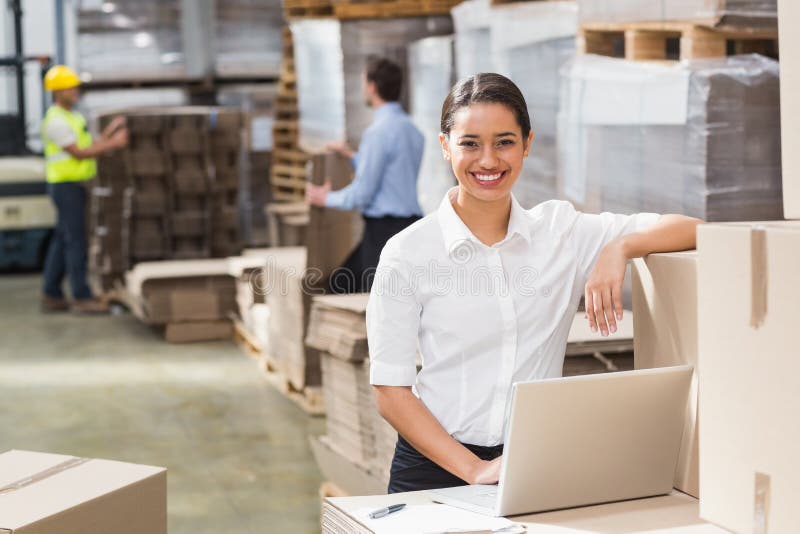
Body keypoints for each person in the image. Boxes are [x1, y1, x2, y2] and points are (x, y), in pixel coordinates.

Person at [366, 73, 703, 494]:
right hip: (433, 466)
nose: (488, 160)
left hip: (531, 462)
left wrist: (620, 248)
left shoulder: (562, 233)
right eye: (470, 143)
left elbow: (693, 228)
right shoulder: (408, 253)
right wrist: (473, 469)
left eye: (504, 142)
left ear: (527, 144)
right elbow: (389, 388)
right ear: (445, 146)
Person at [306, 57, 424, 294]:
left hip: (384, 231)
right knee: (345, 284)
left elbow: (362, 193)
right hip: (410, 225)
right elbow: (392, 172)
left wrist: (325, 198)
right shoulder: (412, 130)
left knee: (376, 299)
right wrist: (352, 156)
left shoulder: (378, 133)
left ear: (372, 86)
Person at [40, 65, 128, 314]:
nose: (76, 91)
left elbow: (89, 144)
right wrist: (115, 143)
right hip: (65, 186)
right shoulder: (55, 121)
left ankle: (51, 293)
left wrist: (110, 132)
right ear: (58, 92)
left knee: (62, 238)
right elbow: (79, 153)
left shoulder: (73, 117)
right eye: (71, 87)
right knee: (77, 241)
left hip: (74, 186)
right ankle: (81, 296)